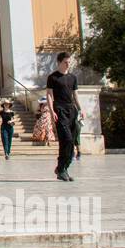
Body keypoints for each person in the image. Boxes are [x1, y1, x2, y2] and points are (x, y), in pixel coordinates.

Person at [46, 52, 80, 181]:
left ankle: (62, 168)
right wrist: (51, 110)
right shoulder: (53, 77)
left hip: (71, 110)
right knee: (67, 139)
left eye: (69, 62)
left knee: (71, 142)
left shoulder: (73, 77)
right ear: (59, 62)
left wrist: (80, 109)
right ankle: (61, 169)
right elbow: (49, 94)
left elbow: (75, 95)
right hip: (59, 110)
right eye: (66, 62)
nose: (68, 64)